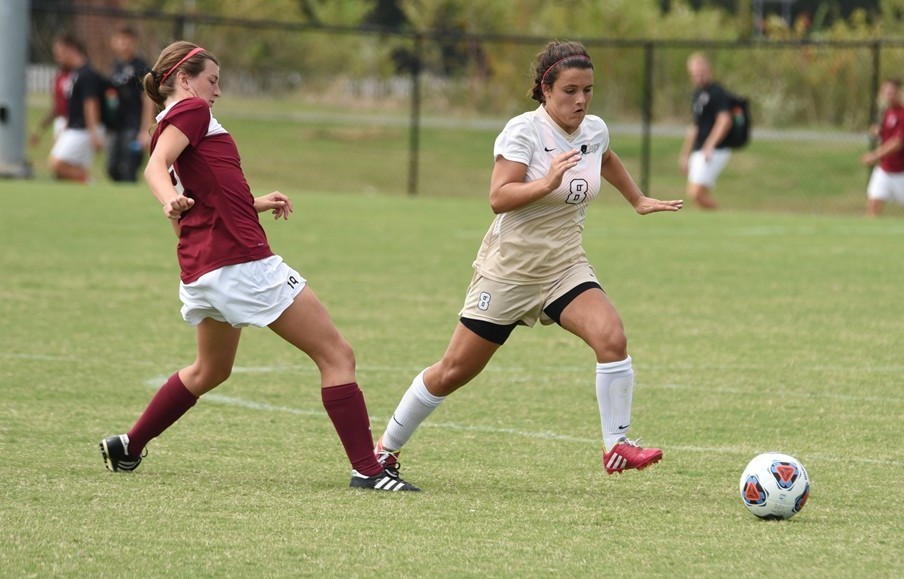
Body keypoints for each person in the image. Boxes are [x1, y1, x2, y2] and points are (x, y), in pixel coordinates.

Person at [98, 41, 418, 492]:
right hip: (241, 263)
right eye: (213, 80)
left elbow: (203, 198)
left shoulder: (167, 124)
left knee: (209, 370)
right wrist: (168, 199)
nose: (218, 91)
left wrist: (254, 203)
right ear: (185, 80)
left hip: (202, 270)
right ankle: (368, 469)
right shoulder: (190, 111)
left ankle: (129, 445)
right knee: (337, 356)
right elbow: (155, 169)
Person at [374, 40, 683, 485]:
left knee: (611, 337)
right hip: (509, 271)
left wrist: (636, 199)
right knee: (454, 370)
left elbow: (606, 157)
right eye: (570, 91)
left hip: (564, 266)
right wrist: (547, 181)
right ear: (545, 89)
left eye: (588, 91)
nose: (580, 100)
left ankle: (616, 446)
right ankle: (384, 450)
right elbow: (499, 197)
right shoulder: (524, 132)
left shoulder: (594, 130)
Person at [48, 34, 106, 183]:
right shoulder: (75, 74)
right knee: (69, 169)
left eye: (60, 54)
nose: (58, 58)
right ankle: (86, 186)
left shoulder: (87, 74)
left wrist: (94, 133)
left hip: (83, 129)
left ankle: (89, 181)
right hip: (74, 127)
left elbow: (90, 104)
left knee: (56, 164)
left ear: (72, 50)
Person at [679, 53, 733, 210]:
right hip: (699, 149)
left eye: (700, 73)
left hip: (714, 149)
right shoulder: (697, 94)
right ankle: (714, 227)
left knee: (696, 193)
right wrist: (685, 154)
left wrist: (710, 145)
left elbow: (725, 120)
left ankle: (724, 219)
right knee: (697, 196)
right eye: (694, 74)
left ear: (708, 70)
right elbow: (695, 127)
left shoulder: (717, 92)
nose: (697, 77)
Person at [106, 26, 155, 182]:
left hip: (133, 126)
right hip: (117, 126)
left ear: (134, 42)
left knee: (130, 166)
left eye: (127, 40)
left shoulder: (141, 66)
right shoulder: (116, 66)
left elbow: (147, 98)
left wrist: (145, 129)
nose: (123, 44)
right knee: (112, 167)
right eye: (119, 40)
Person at [862, 79, 904, 217]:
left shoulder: (902, 114)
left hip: (901, 172)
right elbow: (887, 133)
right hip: (884, 170)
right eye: (885, 92)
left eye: (891, 92)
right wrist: (878, 131)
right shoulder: (887, 112)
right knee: (873, 205)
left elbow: (898, 143)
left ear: (898, 93)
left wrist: (875, 155)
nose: (888, 95)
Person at [29, 52, 72, 148]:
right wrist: (39, 129)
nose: (60, 59)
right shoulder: (59, 78)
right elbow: (56, 108)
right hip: (61, 121)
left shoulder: (78, 76)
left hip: (76, 123)